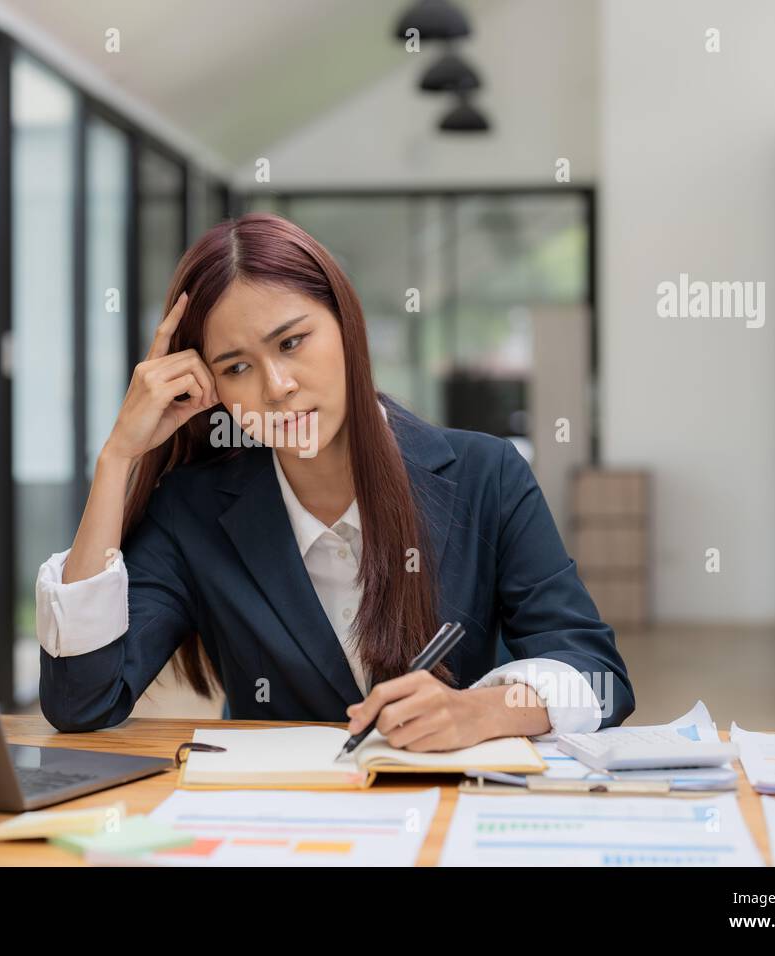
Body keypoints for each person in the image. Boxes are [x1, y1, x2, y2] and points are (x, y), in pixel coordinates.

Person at [37, 212, 633, 750]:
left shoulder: (486, 475)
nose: (276, 386)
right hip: (283, 828)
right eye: (237, 367)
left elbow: (600, 679)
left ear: (347, 327)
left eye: (292, 342)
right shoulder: (191, 510)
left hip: (455, 815)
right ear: (211, 390)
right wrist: (117, 458)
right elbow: (82, 703)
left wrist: (479, 711)